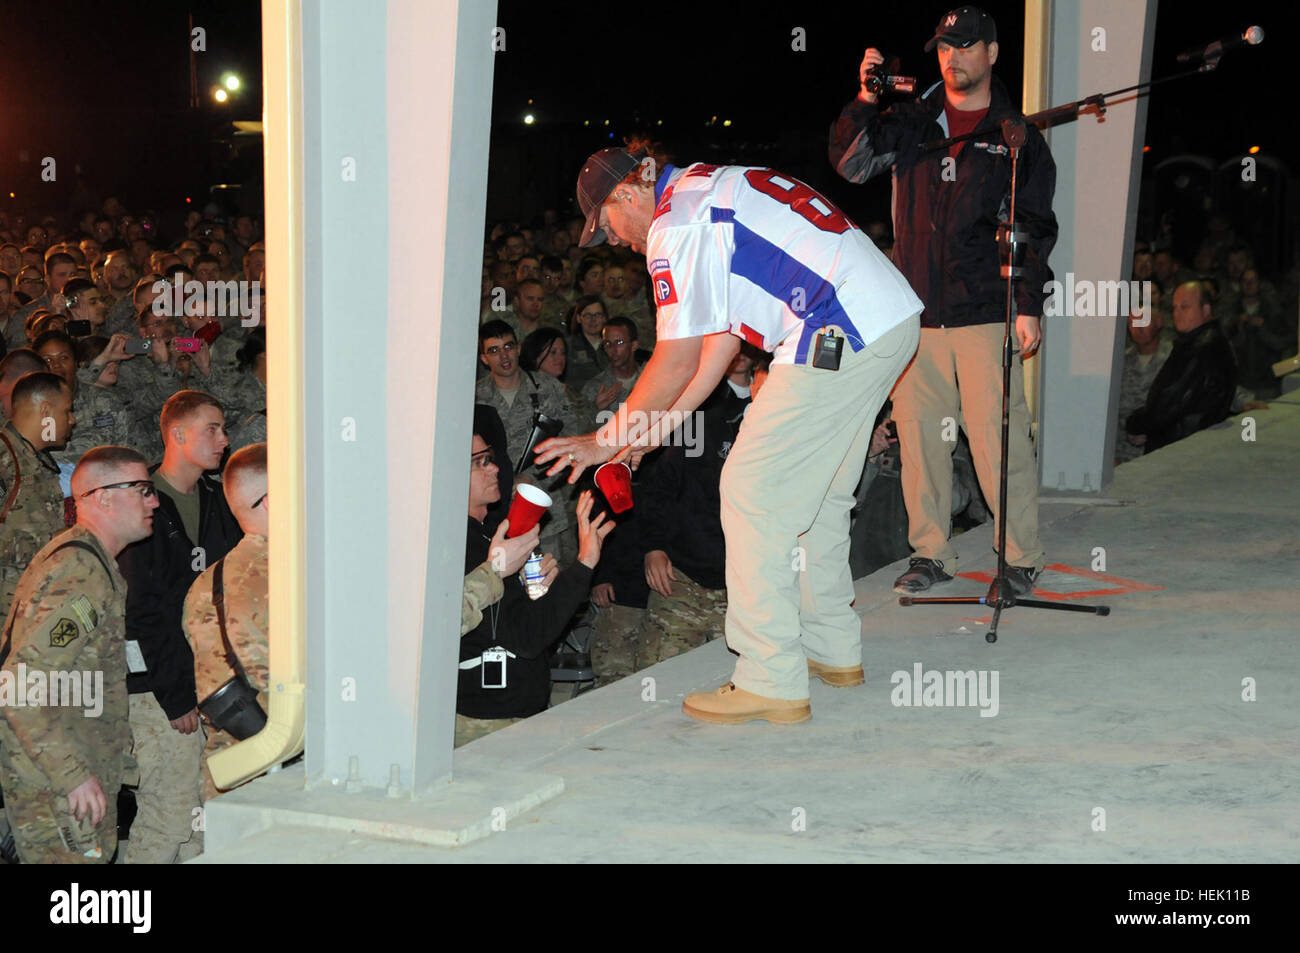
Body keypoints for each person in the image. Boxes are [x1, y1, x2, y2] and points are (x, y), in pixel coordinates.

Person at [535, 142, 922, 726]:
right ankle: (830, 649)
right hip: (882, 319)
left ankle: (770, 676)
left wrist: (604, 441)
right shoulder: (702, 194)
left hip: (834, 325)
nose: (612, 241)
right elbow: (714, 353)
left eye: (606, 224)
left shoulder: (675, 222)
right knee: (817, 499)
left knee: (748, 489)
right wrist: (647, 436)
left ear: (630, 192)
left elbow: (671, 361)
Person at [829, 5, 1058, 597]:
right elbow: (850, 162)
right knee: (922, 439)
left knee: (998, 438)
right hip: (919, 310)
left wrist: (1026, 303)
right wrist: (866, 95)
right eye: (943, 47)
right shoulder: (915, 120)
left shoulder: (1016, 134)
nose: (952, 57)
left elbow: (1033, 223)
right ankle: (931, 552)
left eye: (963, 45)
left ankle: (1019, 558)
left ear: (992, 53)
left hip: (985, 308)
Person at [0, 445, 158, 863]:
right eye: (142, 489)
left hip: (73, 772)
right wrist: (72, 777)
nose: (154, 501)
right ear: (103, 497)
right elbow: (20, 683)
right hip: (58, 787)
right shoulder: (80, 570)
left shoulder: (89, 560)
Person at [117, 390, 243, 862]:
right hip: (160, 689)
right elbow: (141, 613)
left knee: (202, 815)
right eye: (212, 428)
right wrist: (173, 695)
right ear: (177, 434)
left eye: (224, 428)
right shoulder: (140, 500)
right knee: (168, 812)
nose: (224, 440)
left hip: (208, 678)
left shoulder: (217, 496)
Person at [457, 434, 613, 746]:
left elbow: (530, 622)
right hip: (487, 723)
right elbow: (528, 636)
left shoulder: (492, 536)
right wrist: (584, 564)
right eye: (479, 462)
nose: (495, 469)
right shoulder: (459, 545)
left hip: (516, 711)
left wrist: (538, 590)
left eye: (490, 457)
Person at [183, 443, 272, 802]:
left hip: (228, 771)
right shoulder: (295, 574)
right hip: (289, 769)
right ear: (272, 501)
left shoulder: (207, 582)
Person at [0, 372, 76, 626]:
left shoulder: (35, 460)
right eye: (67, 411)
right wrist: (54, 542)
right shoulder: (5, 460)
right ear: (45, 410)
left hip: (30, 615)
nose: (72, 420)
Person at [1125, 281, 1236, 453]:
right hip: (1186, 443)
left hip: (1181, 447)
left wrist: (1136, 424)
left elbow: (1172, 400)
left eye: (1184, 307)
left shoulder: (1201, 348)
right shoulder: (1200, 343)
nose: (1177, 313)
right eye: (1175, 307)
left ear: (1205, 310)